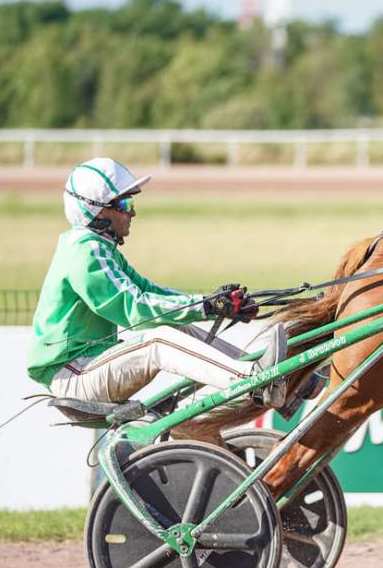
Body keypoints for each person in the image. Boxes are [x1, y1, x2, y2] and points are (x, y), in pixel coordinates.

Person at [26, 157, 287, 411]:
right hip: (74, 375)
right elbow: (135, 308)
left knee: (176, 325)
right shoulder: (85, 252)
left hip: (87, 367)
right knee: (158, 342)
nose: (133, 212)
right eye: (125, 204)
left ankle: (267, 374)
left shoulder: (101, 249)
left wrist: (213, 304)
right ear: (98, 209)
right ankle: (255, 381)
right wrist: (206, 307)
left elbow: (149, 291)